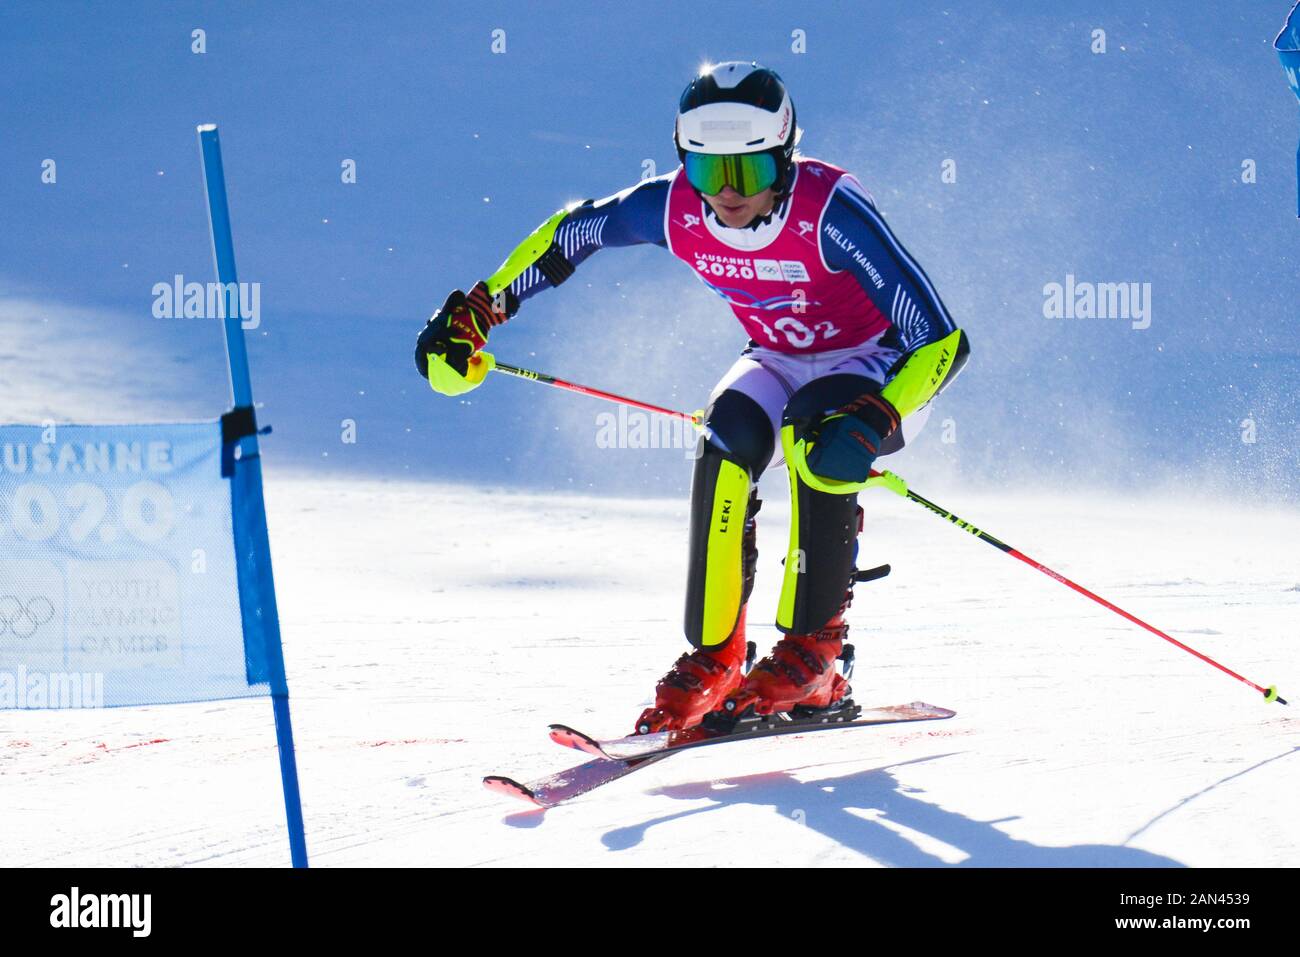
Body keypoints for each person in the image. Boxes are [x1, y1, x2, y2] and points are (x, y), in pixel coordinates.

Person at [415, 61, 970, 735]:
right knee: (728, 435)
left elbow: (939, 338)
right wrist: (482, 311)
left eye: (750, 172)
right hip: (777, 357)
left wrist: (882, 414)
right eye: (710, 172)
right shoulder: (675, 208)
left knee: (814, 437)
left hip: (881, 364)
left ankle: (815, 655)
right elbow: (572, 234)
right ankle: (717, 659)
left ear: (784, 159)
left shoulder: (830, 213)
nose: (728, 194)